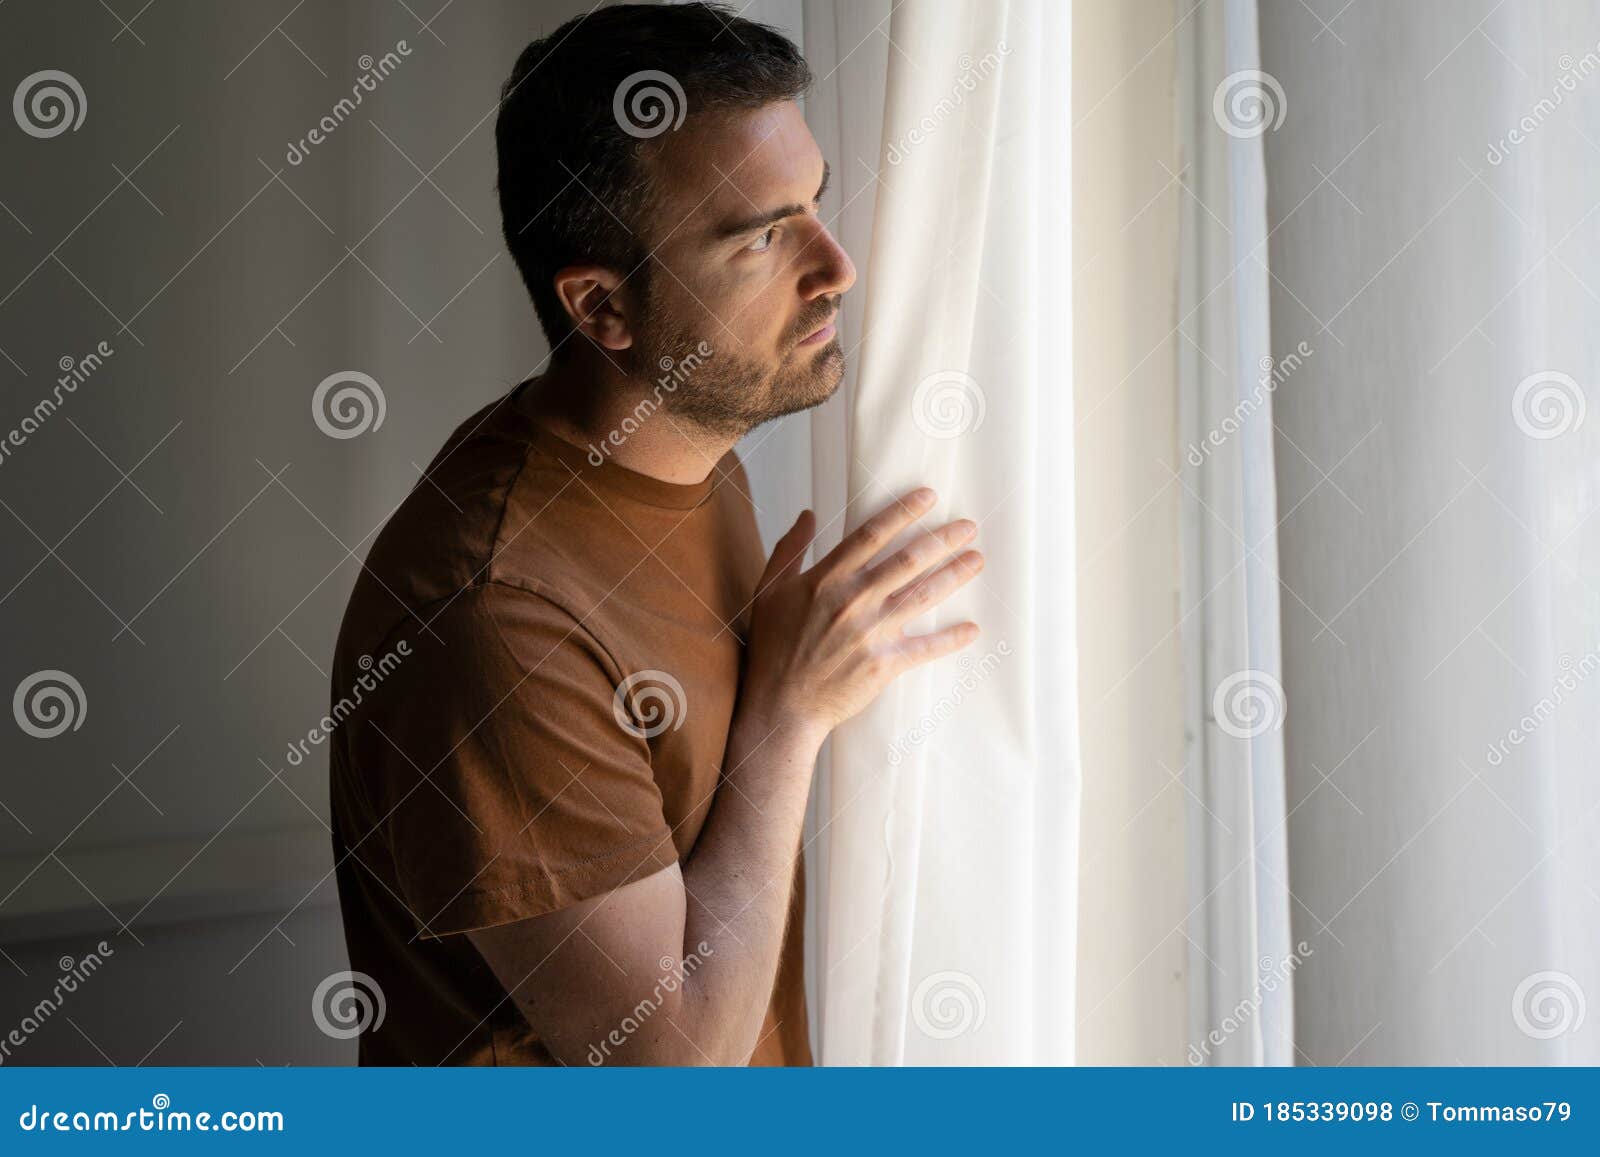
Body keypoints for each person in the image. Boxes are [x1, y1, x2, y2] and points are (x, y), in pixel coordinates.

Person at [328, 1, 984, 1066]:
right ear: (602, 309)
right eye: (762, 239)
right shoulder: (495, 614)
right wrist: (789, 714)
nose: (835, 266)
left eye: (811, 202)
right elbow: (668, 1069)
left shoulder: (683, 449)